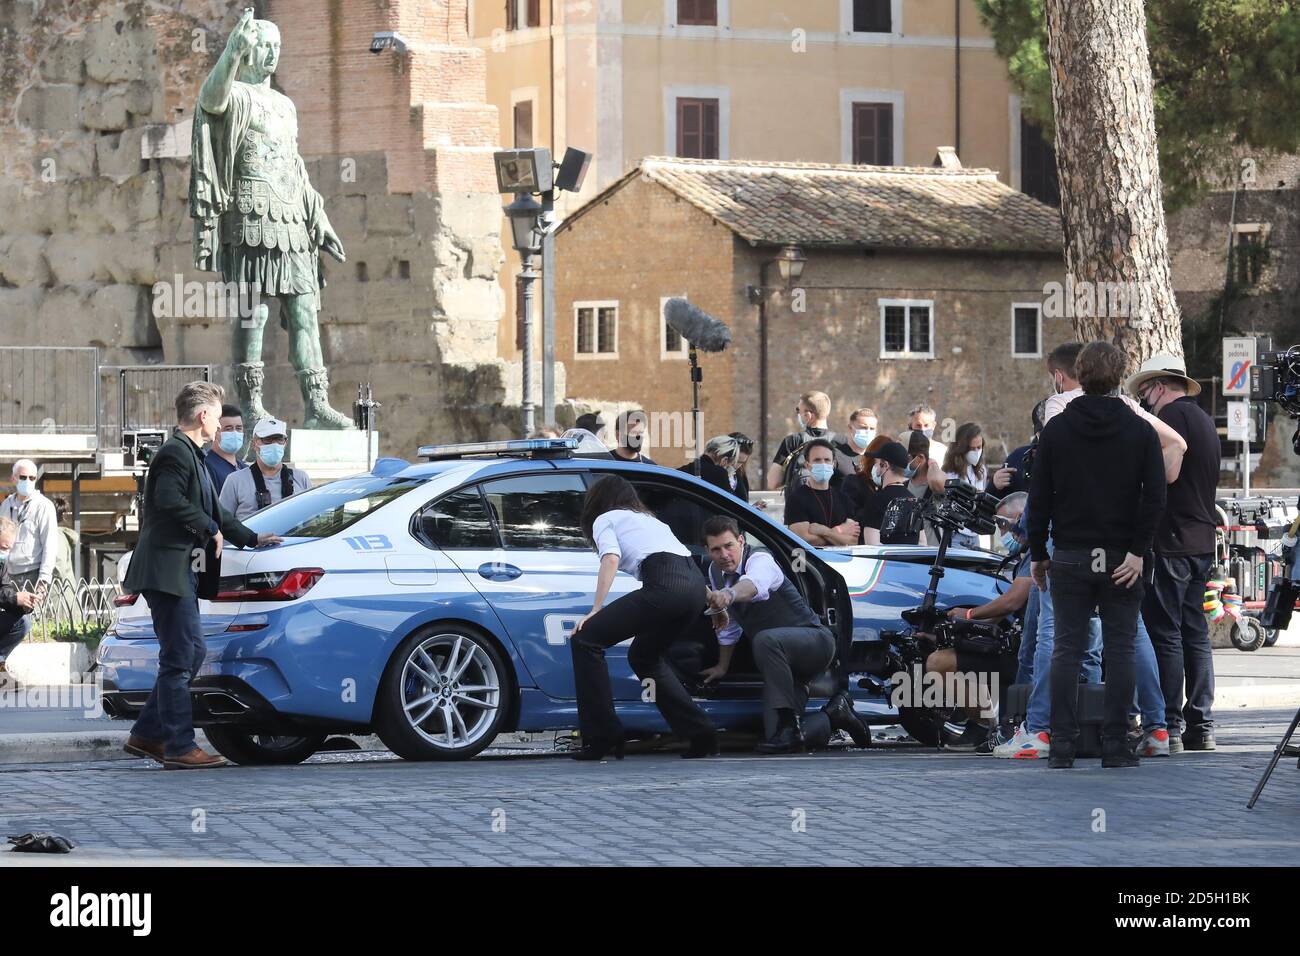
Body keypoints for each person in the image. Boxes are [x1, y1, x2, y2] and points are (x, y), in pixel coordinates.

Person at [122, 382, 281, 769]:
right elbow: (168, 500)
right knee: (181, 656)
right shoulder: (175, 453)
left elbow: (219, 512)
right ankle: (178, 746)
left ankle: (146, 735)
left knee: (188, 653)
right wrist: (210, 529)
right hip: (167, 570)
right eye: (217, 417)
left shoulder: (193, 455)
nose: (224, 426)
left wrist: (253, 538)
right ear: (203, 416)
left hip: (180, 572)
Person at [1027, 342, 1166, 769]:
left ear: (1080, 375)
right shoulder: (1140, 430)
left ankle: (1063, 744)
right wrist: (1139, 551)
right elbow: (1154, 497)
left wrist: (1038, 552)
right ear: (1120, 375)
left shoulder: (1057, 430)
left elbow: (1040, 496)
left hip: (1070, 552)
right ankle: (1116, 744)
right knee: (1121, 647)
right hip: (1122, 556)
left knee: (1066, 648)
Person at [569, 475, 718, 760]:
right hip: (694, 589)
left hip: (664, 586)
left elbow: (610, 558)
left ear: (597, 501)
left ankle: (603, 736)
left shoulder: (606, 518)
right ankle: (701, 733)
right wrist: (715, 604)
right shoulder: (652, 521)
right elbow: (683, 564)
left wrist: (595, 610)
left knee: (586, 639)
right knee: (644, 657)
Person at [696, 516, 871, 753]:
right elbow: (731, 626)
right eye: (716, 549)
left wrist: (727, 595)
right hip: (784, 664)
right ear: (707, 550)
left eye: (729, 546)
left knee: (765, 639)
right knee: (778, 739)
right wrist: (722, 667)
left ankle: (789, 724)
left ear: (741, 541)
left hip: (814, 642)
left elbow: (753, 584)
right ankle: (835, 715)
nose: (724, 554)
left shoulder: (760, 560)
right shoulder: (715, 573)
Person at [1128, 353, 1220, 752]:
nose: (1144, 401)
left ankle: (1170, 724)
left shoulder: (1170, 423)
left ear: (1160, 387)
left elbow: (1166, 477)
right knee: (1195, 633)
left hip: (1171, 542)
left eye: (1145, 393)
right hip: (1201, 540)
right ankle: (1202, 724)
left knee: (1164, 632)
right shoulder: (1202, 419)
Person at [934, 493, 1031, 750]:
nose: (1001, 532)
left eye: (1002, 523)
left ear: (1021, 517)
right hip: (1024, 648)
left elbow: (1012, 602)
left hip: (1027, 654)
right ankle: (988, 724)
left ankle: (991, 726)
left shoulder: (1035, 557)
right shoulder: (1027, 556)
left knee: (938, 663)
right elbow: (1001, 611)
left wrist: (968, 616)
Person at [1042, 342, 1187, 479]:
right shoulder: (1128, 405)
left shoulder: (1058, 403)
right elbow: (1177, 443)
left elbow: (1052, 453)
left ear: (1058, 376)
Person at [218, 417, 311, 521]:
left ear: (286, 443)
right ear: (254, 444)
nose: (274, 444)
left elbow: (311, 520)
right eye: (267, 440)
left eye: (279, 439)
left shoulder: (301, 478)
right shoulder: (235, 481)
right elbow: (223, 523)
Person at [0, 459, 60, 603]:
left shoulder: (44, 506)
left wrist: (44, 579)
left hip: (32, 573)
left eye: (32, 478)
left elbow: (50, 545)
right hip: (7, 573)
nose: (27, 481)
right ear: (13, 478)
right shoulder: (6, 504)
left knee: (31, 620)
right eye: (23, 477)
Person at [782, 439, 860, 546]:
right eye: (817, 460)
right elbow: (803, 539)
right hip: (810, 561)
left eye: (827, 460)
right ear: (808, 465)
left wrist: (824, 531)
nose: (823, 464)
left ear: (833, 464)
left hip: (841, 561)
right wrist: (839, 532)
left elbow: (852, 541)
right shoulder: (796, 499)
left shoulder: (843, 499)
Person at [859, 441, 926, 546]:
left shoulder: (876, 500)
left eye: (876, 463)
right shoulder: (914, 501)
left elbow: (872, 545)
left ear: (885, 465)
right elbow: (922, 543)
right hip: (910, 562)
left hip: (885, 562)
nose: (875, 468)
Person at [766, 391, 836, 490]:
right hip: (831, 504)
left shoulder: (792, 441)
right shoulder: (839, 441)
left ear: (808, 415)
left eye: (798, 410)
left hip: (798, 503)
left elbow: (773, 482)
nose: (798, 414)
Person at [0, 517, 39, 691]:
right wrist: (14, 598)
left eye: (8, 548)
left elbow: (5, 587)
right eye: (3, 547)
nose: (5, 552)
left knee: (21, 622)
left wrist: (21, 604)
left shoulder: (2, 563)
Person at [941, 423, 989, 549]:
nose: (977, 452)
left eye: (979, 447)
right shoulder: (949, 472)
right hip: (956, 533)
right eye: (972, 448)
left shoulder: (981, 470)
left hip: (975, 533)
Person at [992, 401, 1045, 498]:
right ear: (1037, 433)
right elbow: (995, 504)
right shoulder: (1018, 458)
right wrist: (995, 485)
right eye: (1043, 432)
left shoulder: (1075, 458)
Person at [833, 407, 879, 509]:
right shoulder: (835, 455)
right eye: (863, 427)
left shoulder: (877, 458)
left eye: (872, 429)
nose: (868, 432)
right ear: (850, 428)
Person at [204, 403, 248, 494]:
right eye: (228, 429)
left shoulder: (244, 468)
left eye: (239, 428)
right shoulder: (206, 467)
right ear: (215, 432)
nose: (235, 433)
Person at [50, 496, 79, 586]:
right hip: (62, 591)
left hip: (58, 593)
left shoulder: (56, 536)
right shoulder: (58, 536)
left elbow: (58, 567)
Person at [728, 432, 755, 502]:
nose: (735, 465)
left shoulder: (740, 475)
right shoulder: (714, 474)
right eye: (734, 460)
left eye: (741, 462)